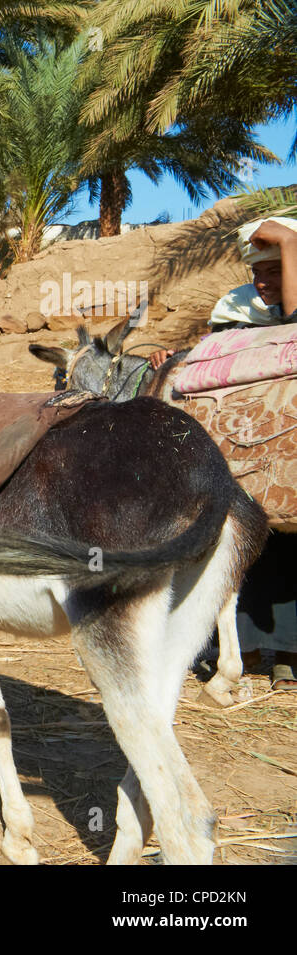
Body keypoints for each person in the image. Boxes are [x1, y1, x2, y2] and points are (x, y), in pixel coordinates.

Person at [147, 216, 297, 689]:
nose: (263, 281)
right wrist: (180, 355)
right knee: (249, 544)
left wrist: (291, 241)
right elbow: (222, 354)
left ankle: (288, 658)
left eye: (276, 269)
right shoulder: (237, 306)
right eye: (258, 271)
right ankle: (246, 651)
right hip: (245, 447)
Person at [147, 216, 297, 370]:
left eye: (275, 272)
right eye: (256, 272)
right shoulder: (241, 306)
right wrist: (174, 357)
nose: (260, 283)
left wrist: (289, 241)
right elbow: (217, 348)